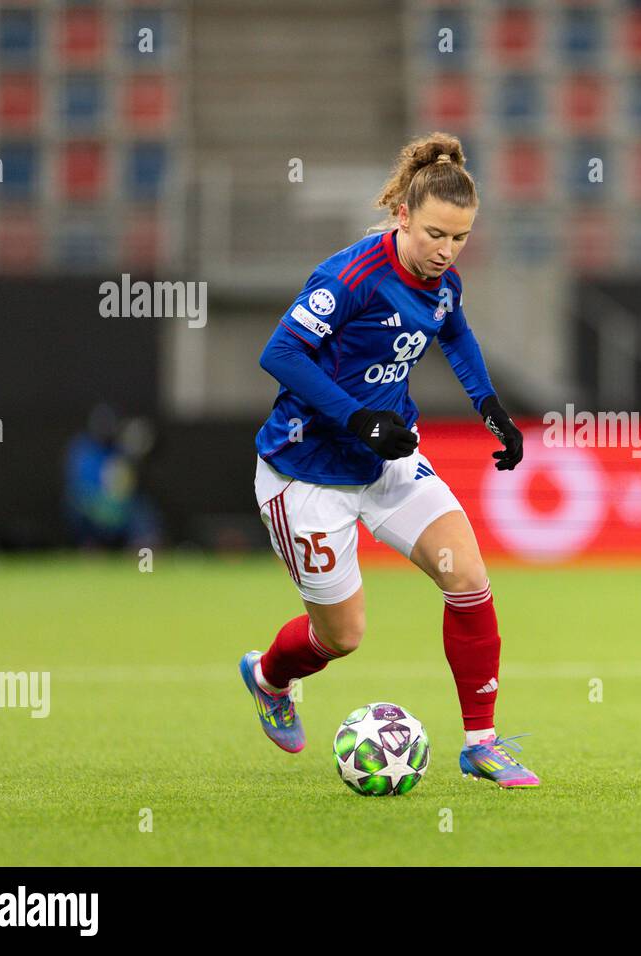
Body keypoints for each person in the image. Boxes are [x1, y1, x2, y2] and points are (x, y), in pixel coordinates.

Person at [240, 132, 539, 788]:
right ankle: (268, 677)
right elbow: (281, 355)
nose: (446, 251)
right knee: (341, 637)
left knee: (468, 578)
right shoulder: (349, 278)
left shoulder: (443, 283)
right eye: (436, 234)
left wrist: (491, 408)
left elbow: (455, 334)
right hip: (306, 472)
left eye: (460, 238)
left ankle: (482, 743)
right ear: (403, 215)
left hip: (388, 463)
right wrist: (357, 418)